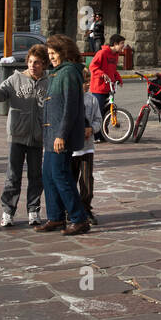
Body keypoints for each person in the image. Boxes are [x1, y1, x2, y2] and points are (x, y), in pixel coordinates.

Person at [35, 34, 90, 235]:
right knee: (48, 175)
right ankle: (55, 217)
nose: (51, 58)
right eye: (49, 54)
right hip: (52, 136)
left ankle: (79, 218)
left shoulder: (68, 73)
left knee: (61, 175)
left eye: (53, 53)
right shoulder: (59, 73)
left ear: (64, 52)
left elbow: (70, 109)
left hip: (60, 137)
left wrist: (61, 135)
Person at [0, 44, 47, 228]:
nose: (32, 65)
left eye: (36, 62)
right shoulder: (15, 78)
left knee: (36, 175)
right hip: (17, 135)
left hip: (38, 137)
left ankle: (33, 210)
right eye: (30, 62)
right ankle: (8, 211)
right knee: (13, 175)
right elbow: (0, 95)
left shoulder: (49, 82)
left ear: (43, 64)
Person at [70, 84, 101, 225]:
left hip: (87, 147)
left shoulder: (92, 99)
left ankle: (86, 207)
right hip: (71, 149)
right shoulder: (69, 98)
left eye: (88, 80)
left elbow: (98, 120)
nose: (87, 84)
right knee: (70, 179)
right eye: (83, 80)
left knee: (87, 179)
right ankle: (70, 209)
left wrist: (91, 129)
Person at [89, 34, 127, 139]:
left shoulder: (115, 55)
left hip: (110, 88)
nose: (123, 46)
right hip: (99, 88)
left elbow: (113, 70)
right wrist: (102, 74)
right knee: (98, 112)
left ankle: (103, 134)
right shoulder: (102, 53)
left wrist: (118, 78)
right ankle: (96, 135)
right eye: (121, 44)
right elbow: (92, 66)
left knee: (107, 112)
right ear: (115, 44)